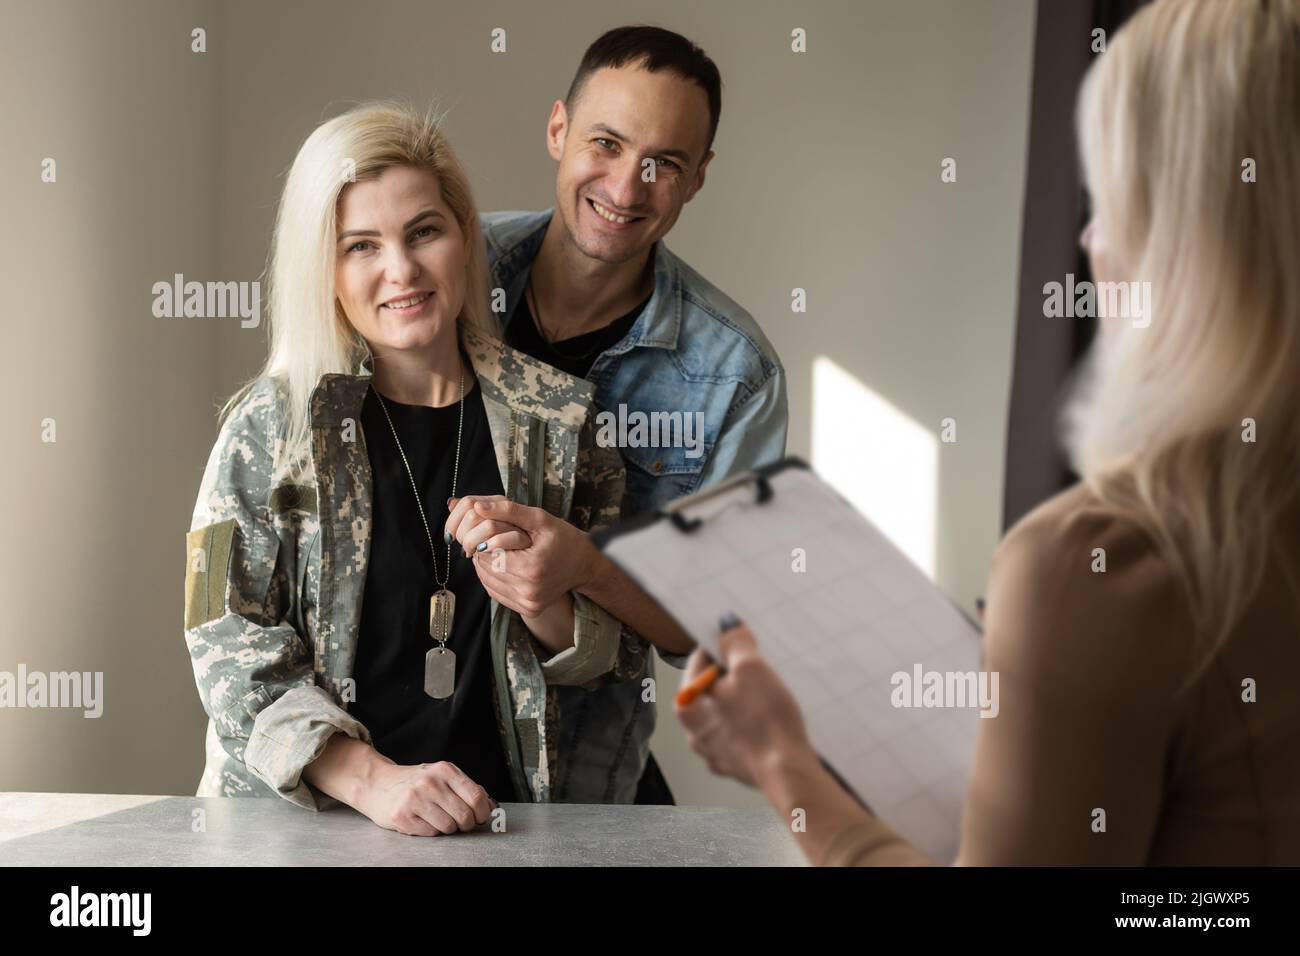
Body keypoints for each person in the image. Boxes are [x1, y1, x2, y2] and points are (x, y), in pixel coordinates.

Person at [675, 0, 1300, 865]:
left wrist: (779, 760)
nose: (1088, 242)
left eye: (1112, 200)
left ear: (1186, 240)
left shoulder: (1108, 561)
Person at [183, 102, 639, 836]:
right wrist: (374, 782)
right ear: (324, 268)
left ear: (463, 236)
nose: (401, 270)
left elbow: (612, 659)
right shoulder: (268, 430)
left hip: (496, 830)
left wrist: (544, 594)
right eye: (361, 245)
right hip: (299, 831)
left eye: (423, 231)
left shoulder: (559, 422)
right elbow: (222, 640)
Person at [446, 24, 789, 805]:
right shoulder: (450, 271)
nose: (628, 188)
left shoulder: (737, 375)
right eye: (607, 142)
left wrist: (588, 568)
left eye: (663, 164)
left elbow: (711, 629)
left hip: (582, 785)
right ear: (558, 129)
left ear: (698, 179)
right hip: (405, 757)